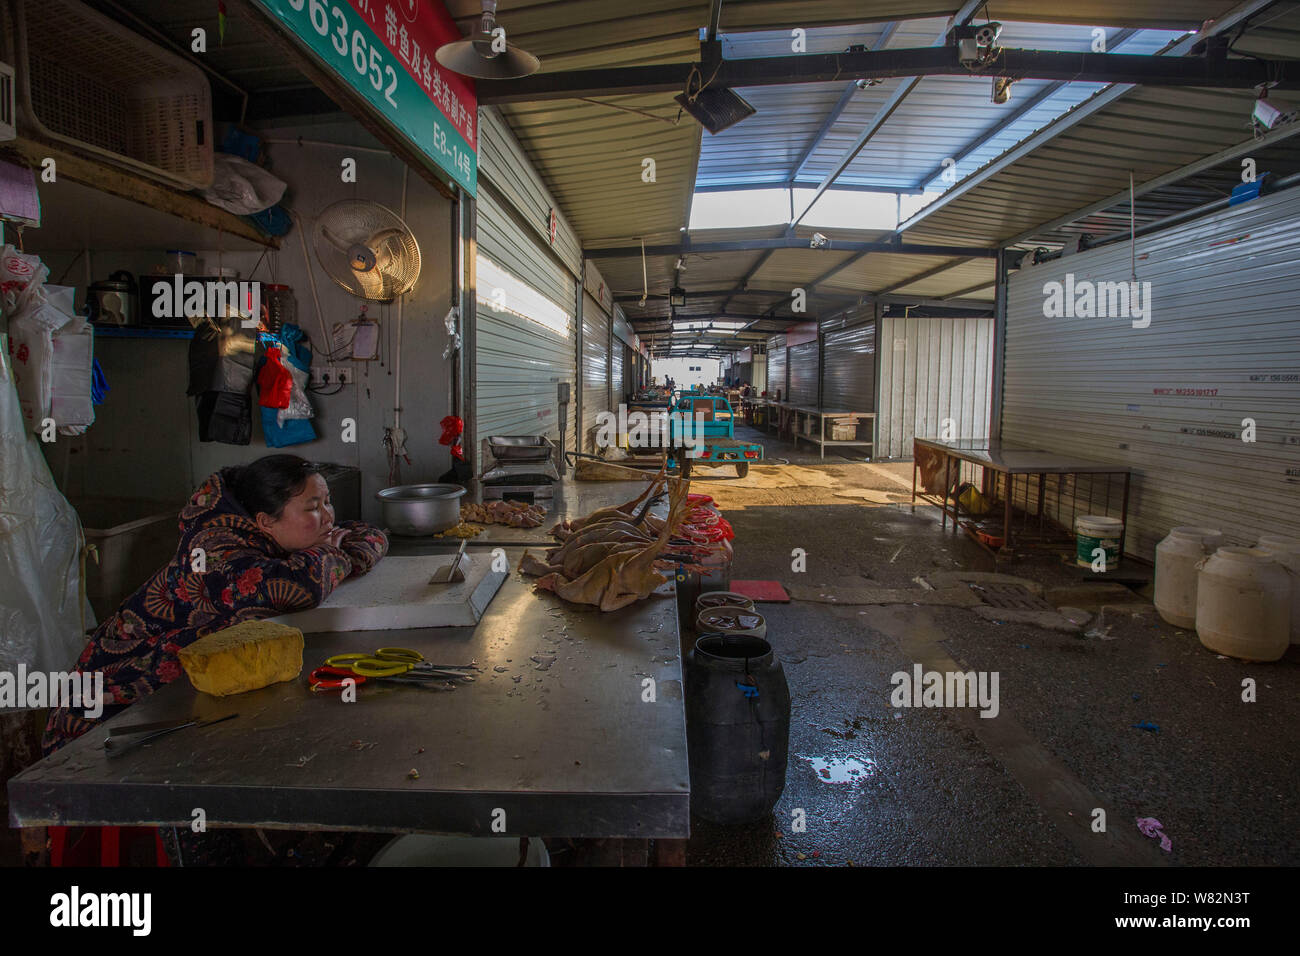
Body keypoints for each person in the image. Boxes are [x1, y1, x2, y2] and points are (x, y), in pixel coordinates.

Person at [43, 455, 388, 755]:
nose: (328, 517)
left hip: (176, 698)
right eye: (313, 508)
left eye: (327, 502)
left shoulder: (264, 530)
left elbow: (369, 534)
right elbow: (301, 586)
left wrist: (333, 554)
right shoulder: (214, 551)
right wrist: (334, 553)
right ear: (265, 521)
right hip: (108, 716)